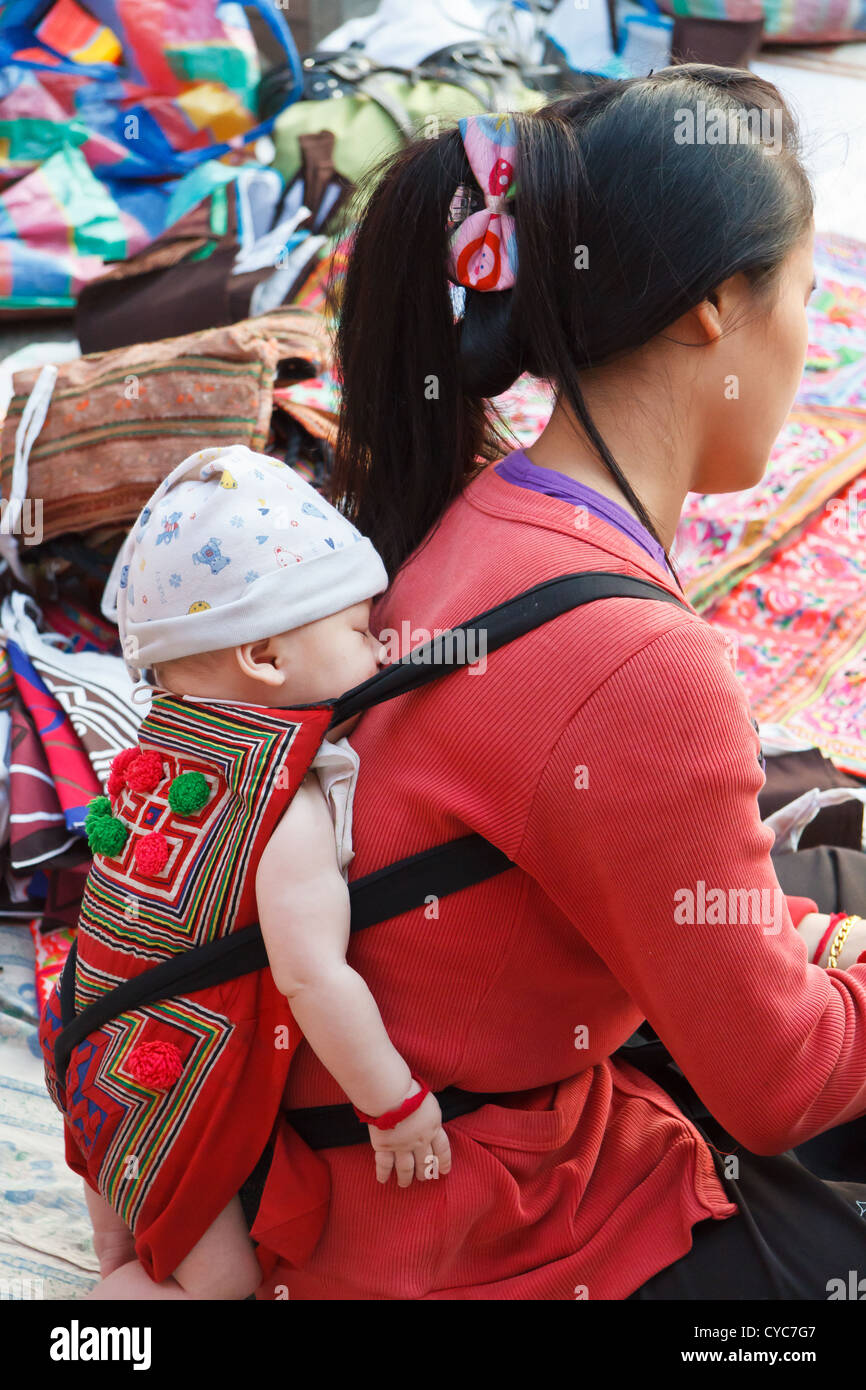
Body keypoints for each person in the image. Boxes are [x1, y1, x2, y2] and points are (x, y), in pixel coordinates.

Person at [252, 68, 866, 1300]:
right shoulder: (631, 660)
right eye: (804, 295)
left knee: (823, 878)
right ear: (711, 309)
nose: (812, 340)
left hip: (356, 1150)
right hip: (463, 1222)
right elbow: (777, 1079)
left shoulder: (485, 505)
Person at [38, 444, 451, 1301]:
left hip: (91, 1065)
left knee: (128, 1244)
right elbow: (312, 975)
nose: (380, 654)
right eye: (358, 633)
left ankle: (118, 1273)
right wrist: (396, 1104)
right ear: (265, 659)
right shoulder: (284, 805)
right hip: (167, 1090)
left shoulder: (161, 751)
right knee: (216, 1284)